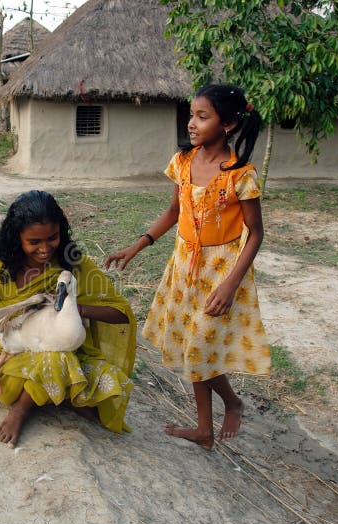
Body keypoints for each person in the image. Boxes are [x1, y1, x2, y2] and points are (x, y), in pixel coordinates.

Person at [104, 83, 271, 450]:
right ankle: (206, 429)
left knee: (198, 348)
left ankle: (230, 406)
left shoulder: (241, 174)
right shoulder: (182, 161)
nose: (192, 123)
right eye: (191, 115)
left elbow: (256, 234)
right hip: (184, 268)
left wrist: (230, 284)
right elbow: (173, 212)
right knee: (194, 350)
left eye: (202, 116)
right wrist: (137, 246)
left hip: (220, 272)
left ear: (227, 124)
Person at [0, 190, 136, 447]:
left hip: (64, 347)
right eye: (34, 241)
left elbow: (120, 314)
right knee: (55, 360)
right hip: (12, 353)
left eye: (52, 238)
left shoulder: (73, 266)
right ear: (17, 238)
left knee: (92, 373)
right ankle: (22, 409)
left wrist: (72, 309)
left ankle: (55, 391)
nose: (45, 249)